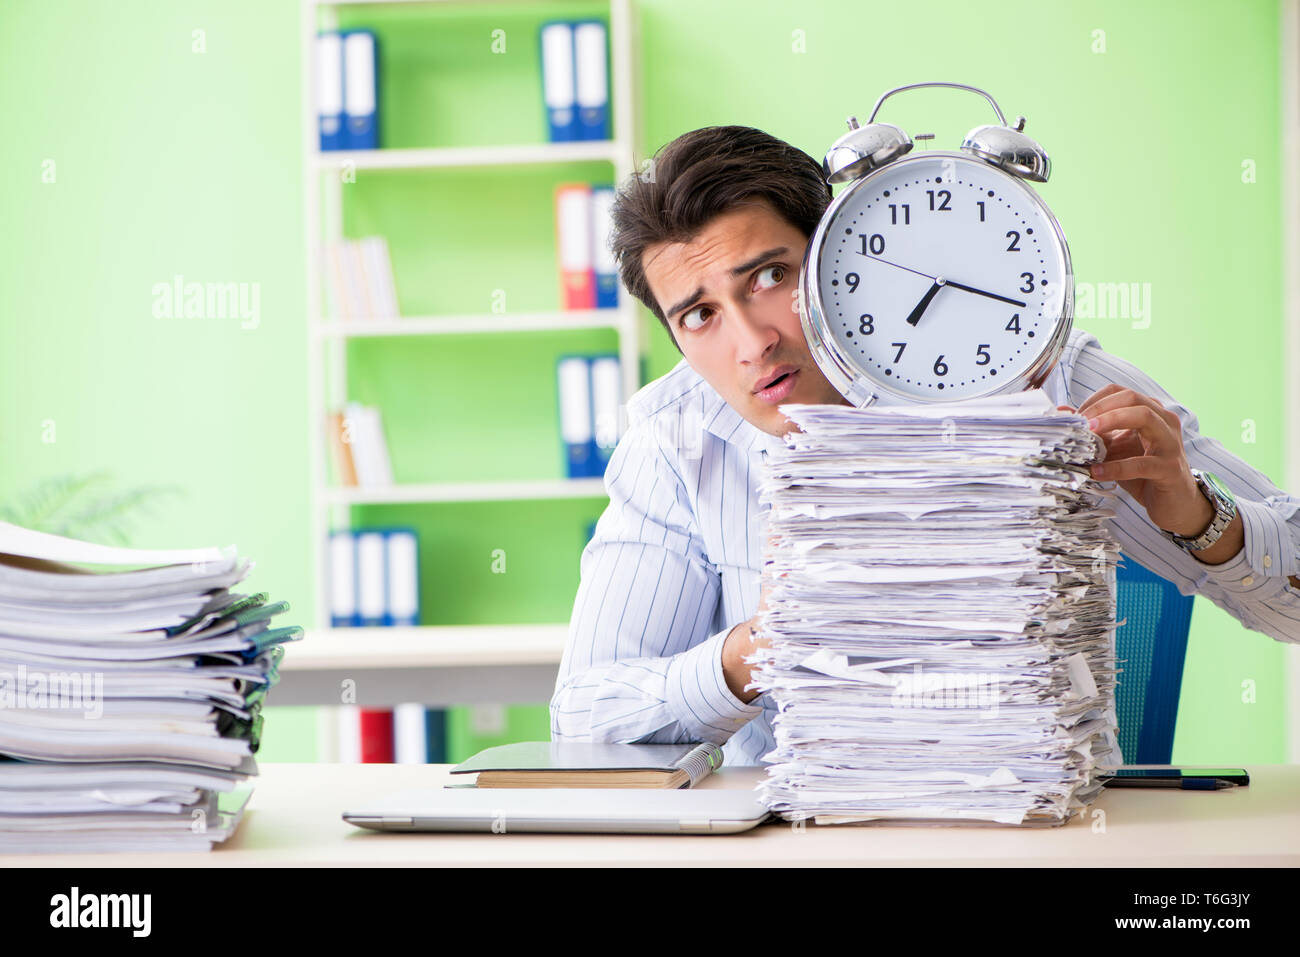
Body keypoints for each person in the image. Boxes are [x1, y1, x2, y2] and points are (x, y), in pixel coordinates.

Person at [549, 125, 1300, 766]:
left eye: (771, 276)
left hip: (1042, 839)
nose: (753, 342)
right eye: (700, 315)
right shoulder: (675, 439)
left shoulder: (1049, 378)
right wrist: (755, 648)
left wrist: (1203, 517)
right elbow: (582, 722)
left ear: (839, 256)